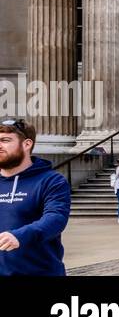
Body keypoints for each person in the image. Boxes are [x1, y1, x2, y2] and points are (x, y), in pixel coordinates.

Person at [0, 118, 71, 276]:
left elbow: (56, 218)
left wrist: (20, 236)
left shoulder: (51, 180)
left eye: (5, 140)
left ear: (26, 144)